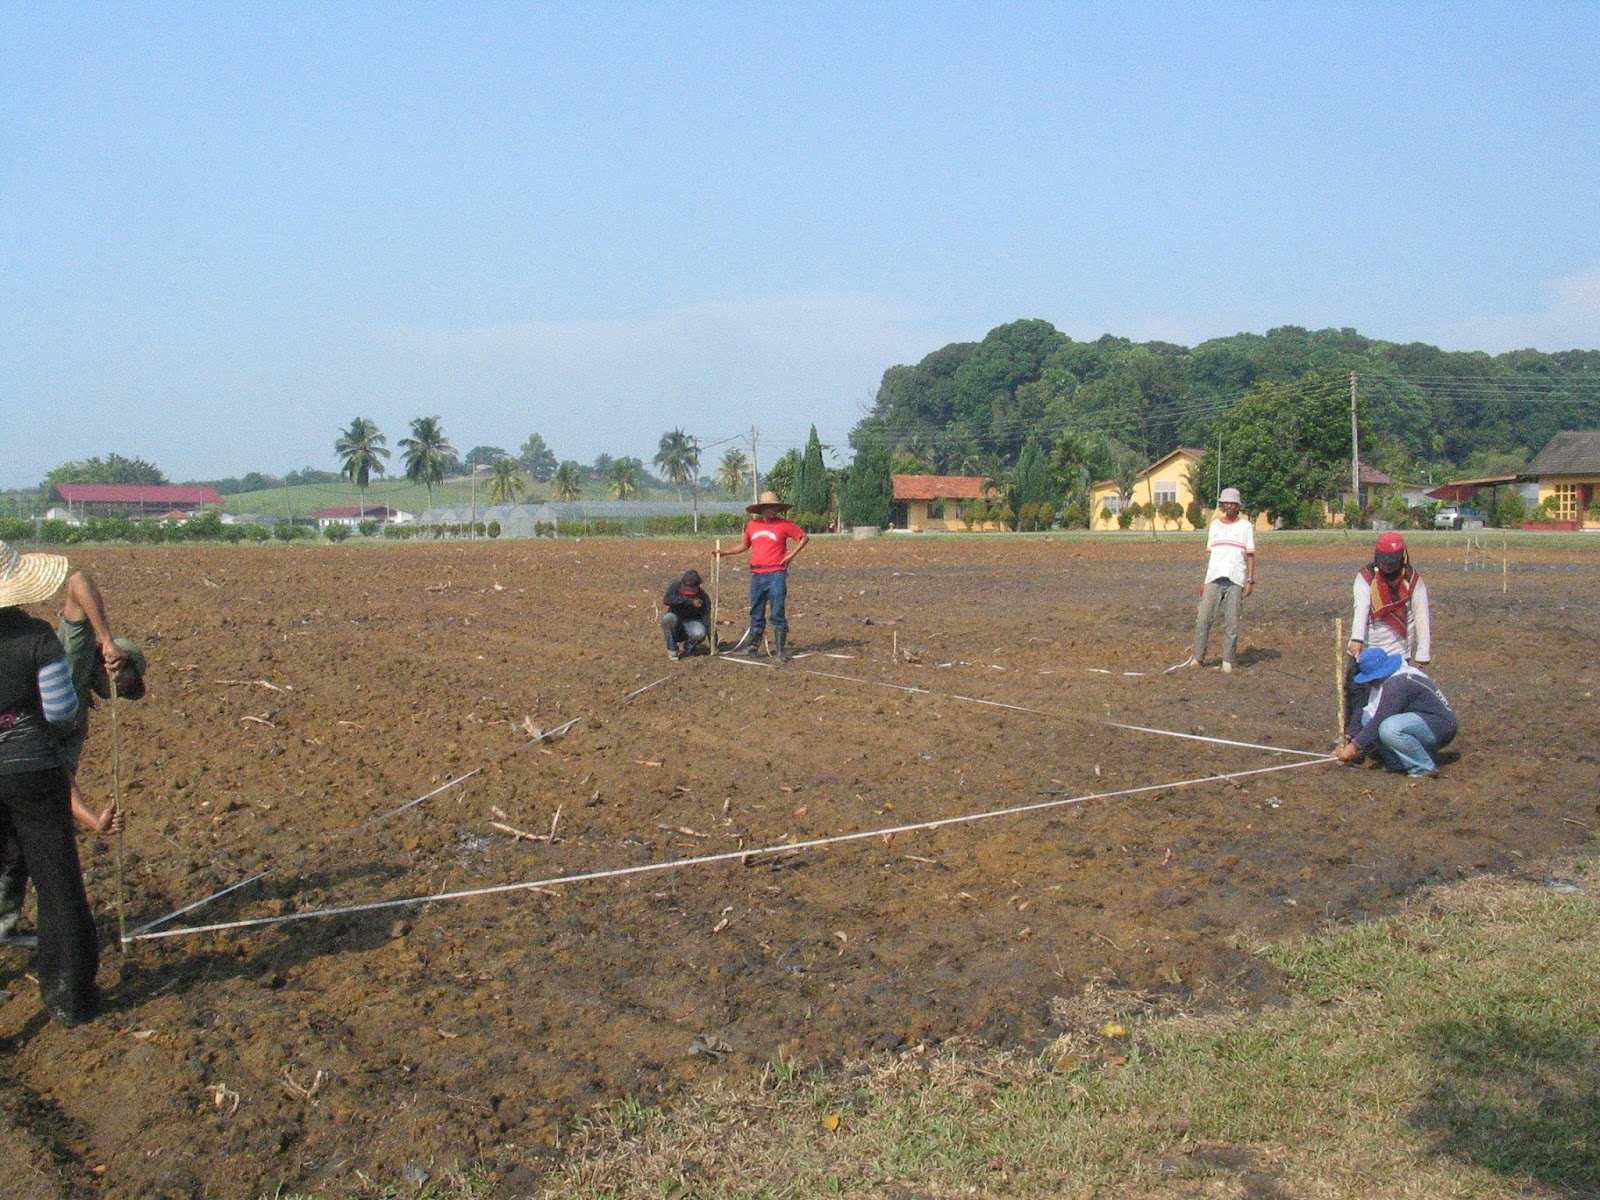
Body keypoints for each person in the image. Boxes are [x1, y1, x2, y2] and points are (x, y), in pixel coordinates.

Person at [0, 540, 102, 1025]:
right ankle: (69, 997)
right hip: (31, 770)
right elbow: (61, 711)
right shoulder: (36, 637)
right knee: (57, 880)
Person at [1345, 531, 1431, 726]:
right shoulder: (1365, 577)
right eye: (1384, 560)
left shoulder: (1413, 581)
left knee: (1391, 702)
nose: (1388, 565)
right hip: (1366, 650)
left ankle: (1381, 742)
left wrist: (1423, 653)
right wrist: (1357, 639)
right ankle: (1352, 737)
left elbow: (1421, 616)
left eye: (1393, 561)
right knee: (1358, 696)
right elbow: (1361, 608)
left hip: (1397, 652)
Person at [714, 491, 809, 662]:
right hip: (757, 574)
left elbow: (803, 538)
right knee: (756, 610)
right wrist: (725, 553)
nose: (772, 510)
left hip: (776, 574)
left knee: (777, 610)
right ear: (762, 509)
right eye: (769, 507)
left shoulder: (784, 525)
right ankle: (753, 647)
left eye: (775, 507)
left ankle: (780, 650)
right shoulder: (752, 525)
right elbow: (744, 545)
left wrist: (790, 556)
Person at [1335, 647, 1457, 777]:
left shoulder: (1398, 683)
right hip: (1417, 723)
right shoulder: (1383, 682)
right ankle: (1399, 764)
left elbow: (1380, 719)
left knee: (1390, 727)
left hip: (1440, 727)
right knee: (1367, 718)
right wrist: (1349, 738)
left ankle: (1423, 767)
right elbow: (1368, 713)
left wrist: (1354, 747)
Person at [1175, 486, 1256, 673]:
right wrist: (1204, 583)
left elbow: (1250, 556)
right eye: (1226, 503)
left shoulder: (1245, 527)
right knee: (1203, 619)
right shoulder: (1215, 526)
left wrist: (1250, 580)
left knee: (1232, 622)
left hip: (1235, 579)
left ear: (1238, 506)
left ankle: (1228, 660)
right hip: (1214, 577)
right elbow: (1212, 556)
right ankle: (1198, 657)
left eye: (1232, 503)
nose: (1229, 506)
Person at [660, 569, 711, 660]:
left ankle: (689, 646)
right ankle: (672, 649)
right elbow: (667, 600)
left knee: (700, 632)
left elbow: (707, 619)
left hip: (691, 624)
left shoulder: (703, 596)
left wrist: (713, 643)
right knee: (668, 618)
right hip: (675, 622)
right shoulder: (675, 587)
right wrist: (689, 601)